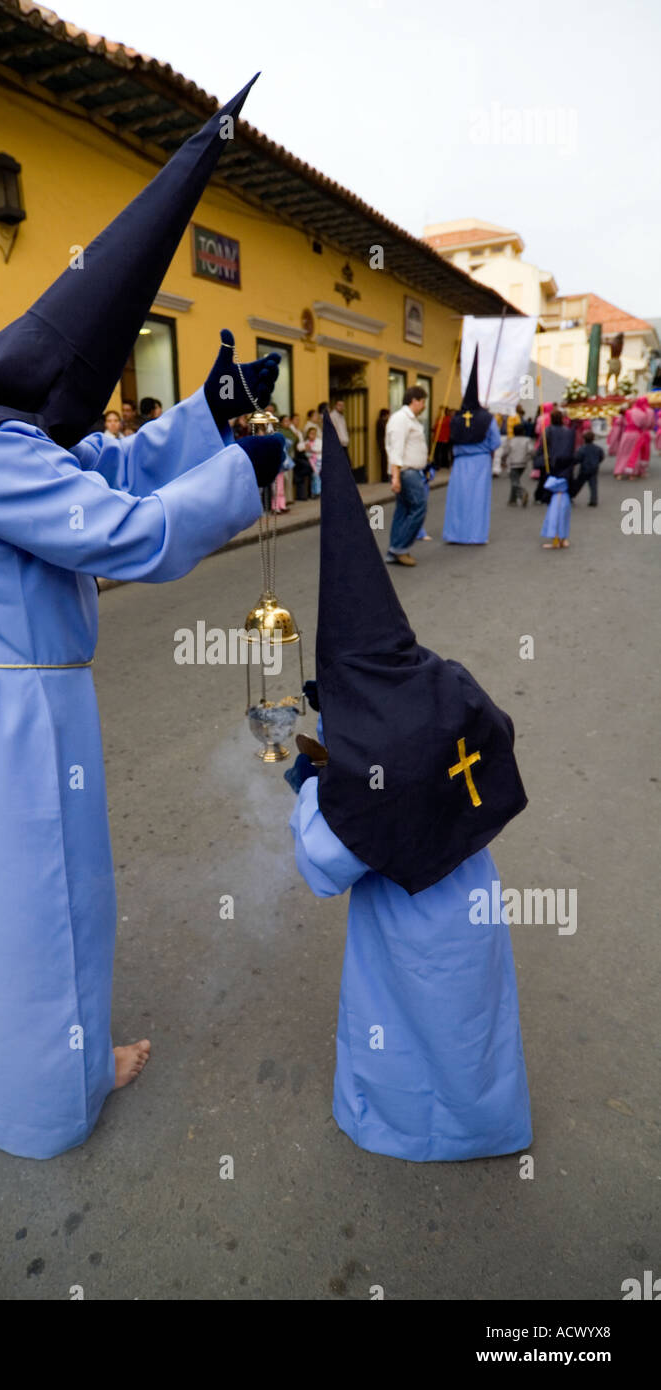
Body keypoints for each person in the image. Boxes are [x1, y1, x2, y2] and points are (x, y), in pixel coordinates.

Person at [0, 78, 285, 1162]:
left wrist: (211, 411)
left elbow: (104, 461)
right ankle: (56, 1096)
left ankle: (34, 1076)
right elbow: (128, 533)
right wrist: (244, 471)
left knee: (14, 909)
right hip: (21, 723)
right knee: (45, 904)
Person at [284, 416, 531, 1162]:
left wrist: (311, 788)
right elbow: (496, 738)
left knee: (406, 1020)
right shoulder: (443, 680)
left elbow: (324, 864)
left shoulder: (366, 755)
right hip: (472, 895)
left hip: (406, 921)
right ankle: (487, 1121)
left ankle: (411, 1132)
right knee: (469, 1022)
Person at [442, 350, 500, 544]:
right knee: (477, 500)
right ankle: (475, 535)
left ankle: (455, 534)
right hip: (480, 462)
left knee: (458, 500)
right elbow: (495, 441)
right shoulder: (487, 418)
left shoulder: (456, 418)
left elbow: (451, 438)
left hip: (460, 463)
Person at [384, 385, 428, 565]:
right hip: (406, 472)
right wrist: (395, 476)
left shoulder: (411, 420)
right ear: (414, 401)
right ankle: (400, 548)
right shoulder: (401, 419)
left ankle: (394, 550)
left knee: (403, 511)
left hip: (411, 471)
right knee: (419, 507)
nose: (424, 405)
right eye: (423, 402)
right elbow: (396, 449)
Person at [538, 411, 575, 549]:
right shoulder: (568, 432)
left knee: (556, 506)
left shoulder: (548, 431)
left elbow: (543, 448)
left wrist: (541, 461)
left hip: (553, 467)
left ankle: (556, 537)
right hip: (566, 467)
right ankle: (562, 537)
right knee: (563, 504)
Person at [612, 397, 653, 479]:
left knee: (623, 452)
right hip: (637, 435)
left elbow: (619, 421)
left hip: (626, 434)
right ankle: (632, 473)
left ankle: (619, 472)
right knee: (634, 453)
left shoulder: (628, 412)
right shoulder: (643, 413)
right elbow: (647, 425)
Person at [500, 423, 532, 506]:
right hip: (523, 463)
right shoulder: (527, 440)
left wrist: (503, 460)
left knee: (514, 481)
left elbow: (505, 452)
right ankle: (512, 500)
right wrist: (528, 457)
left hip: (513, 463)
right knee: (515, 480)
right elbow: (531, 450)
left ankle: (522, 492)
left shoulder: (511, 440)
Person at [571, 429, 603, 506]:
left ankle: (571, 495)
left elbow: (578, 458)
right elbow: (601, 456)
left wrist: (573, 463)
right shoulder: (597, 448)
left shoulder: (582, 449)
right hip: (594, 468)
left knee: (578, 484)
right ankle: (593, 500)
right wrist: (597, 462)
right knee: (593, 485)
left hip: (584, 469)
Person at [375, 407, 390, 478]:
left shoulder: (384, 422)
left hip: (384, 443)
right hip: (382, 444)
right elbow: (384, 431)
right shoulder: (380, 422)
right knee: (384, 460)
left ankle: (385, 475)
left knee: (385, 460)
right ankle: (384, 476)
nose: (388, 416)